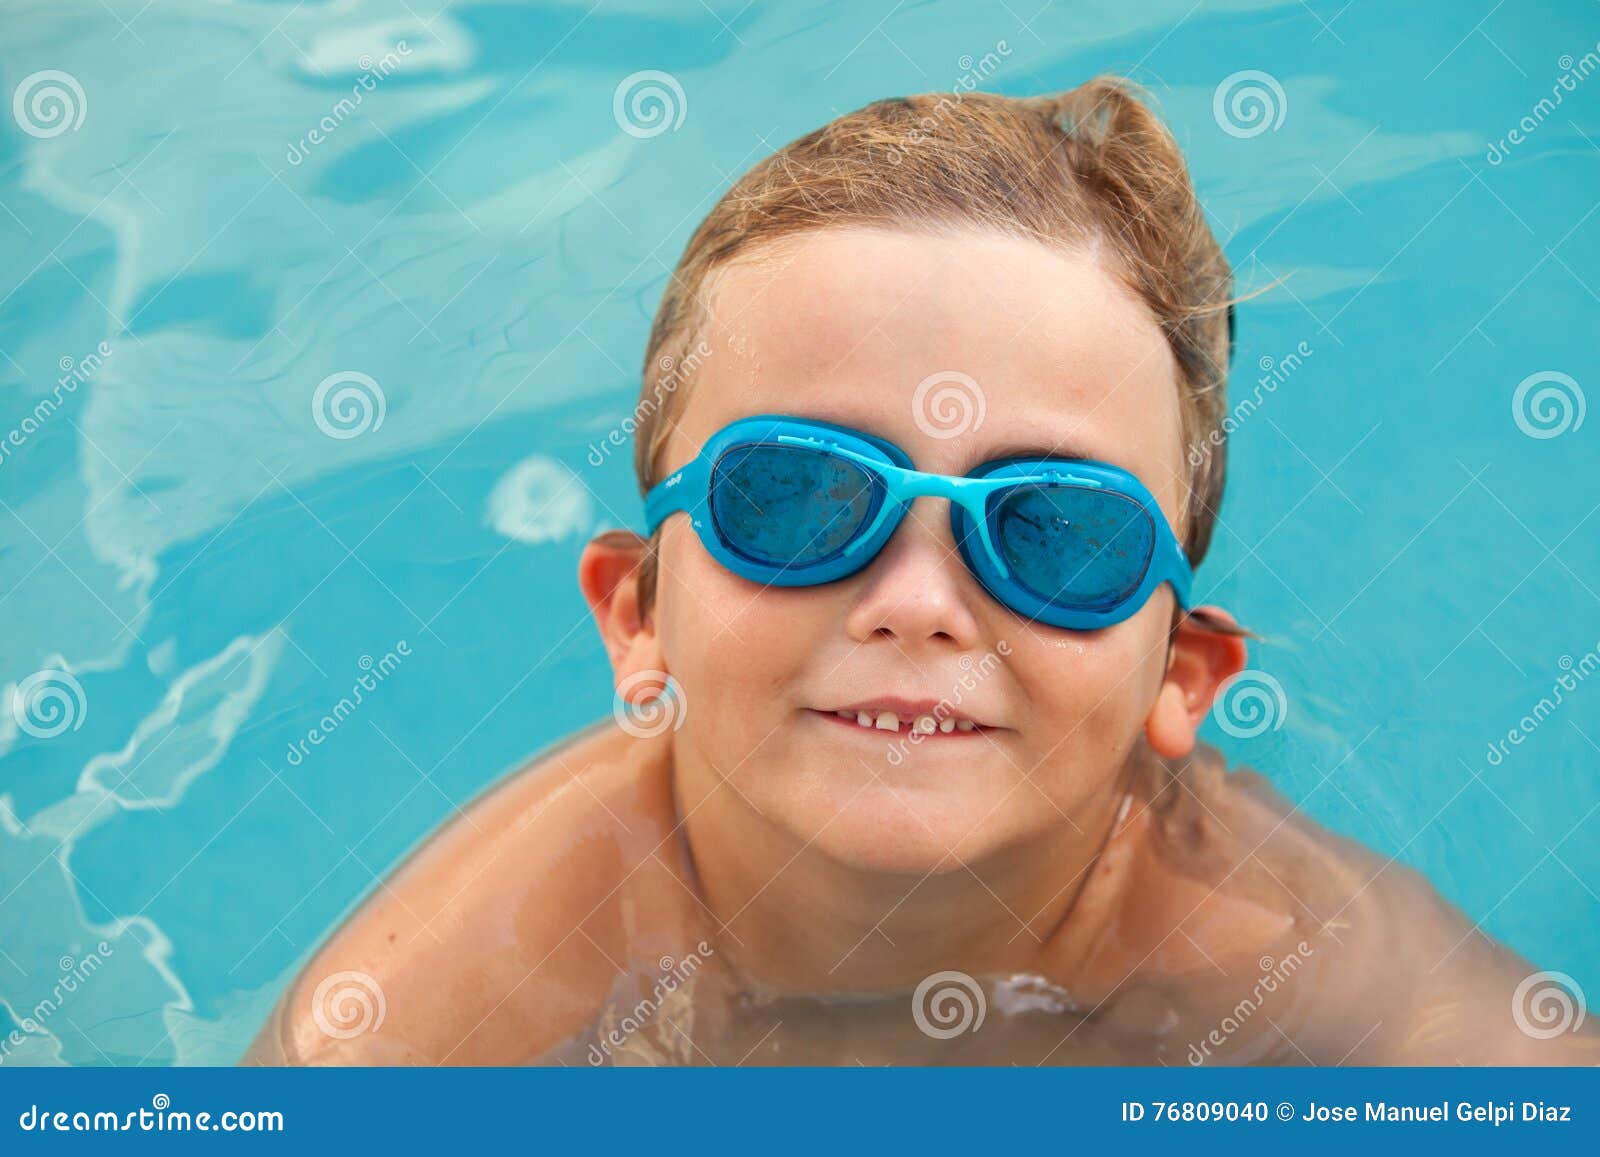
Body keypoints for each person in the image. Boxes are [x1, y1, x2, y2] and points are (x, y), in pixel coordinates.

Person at [245, 77, 1598, 1066]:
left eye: (1056, 530)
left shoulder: (1294, 962)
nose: (917, 602)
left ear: (1179, 678)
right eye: (796, 499)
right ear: (637, 612)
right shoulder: (438, 1005)